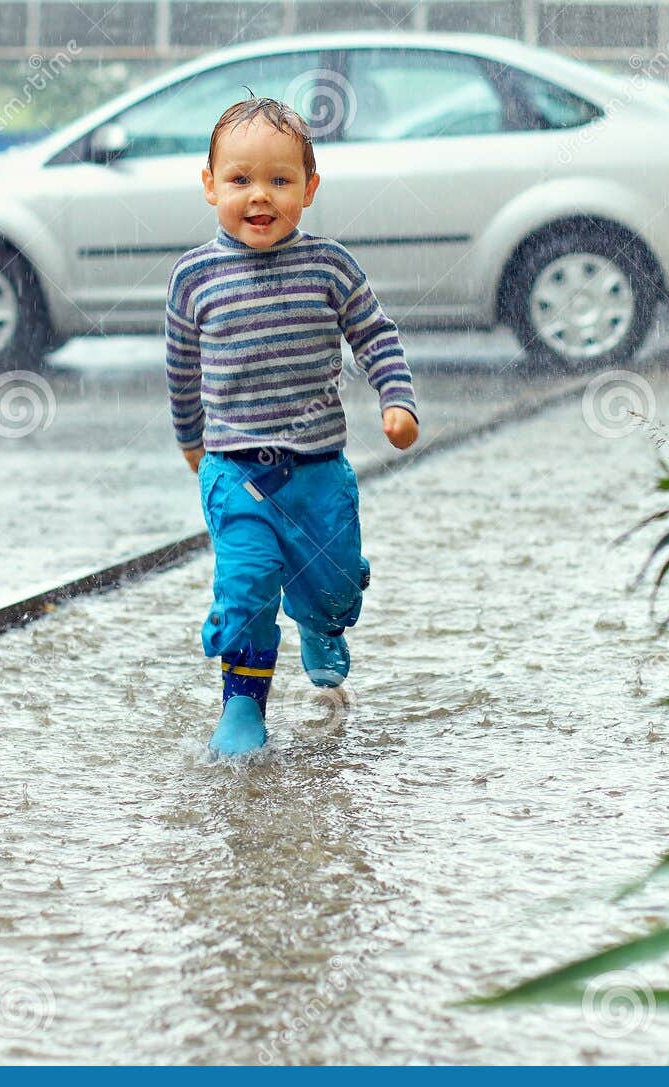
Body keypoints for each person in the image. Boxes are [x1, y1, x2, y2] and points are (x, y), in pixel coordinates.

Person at [166, 95, 420, 757]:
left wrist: (398, 401)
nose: (260, 197)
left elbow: (377, 337)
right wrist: (191, 440)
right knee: (246, 587)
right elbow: (180, 368)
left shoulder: (329, 267)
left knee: (331, 586)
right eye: (240, 180)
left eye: (280, 181)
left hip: (318, 475)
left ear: (308, 189)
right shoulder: (193, 278)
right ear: (209, 185)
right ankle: (243, 709)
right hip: (235, 472)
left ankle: (324, 620)